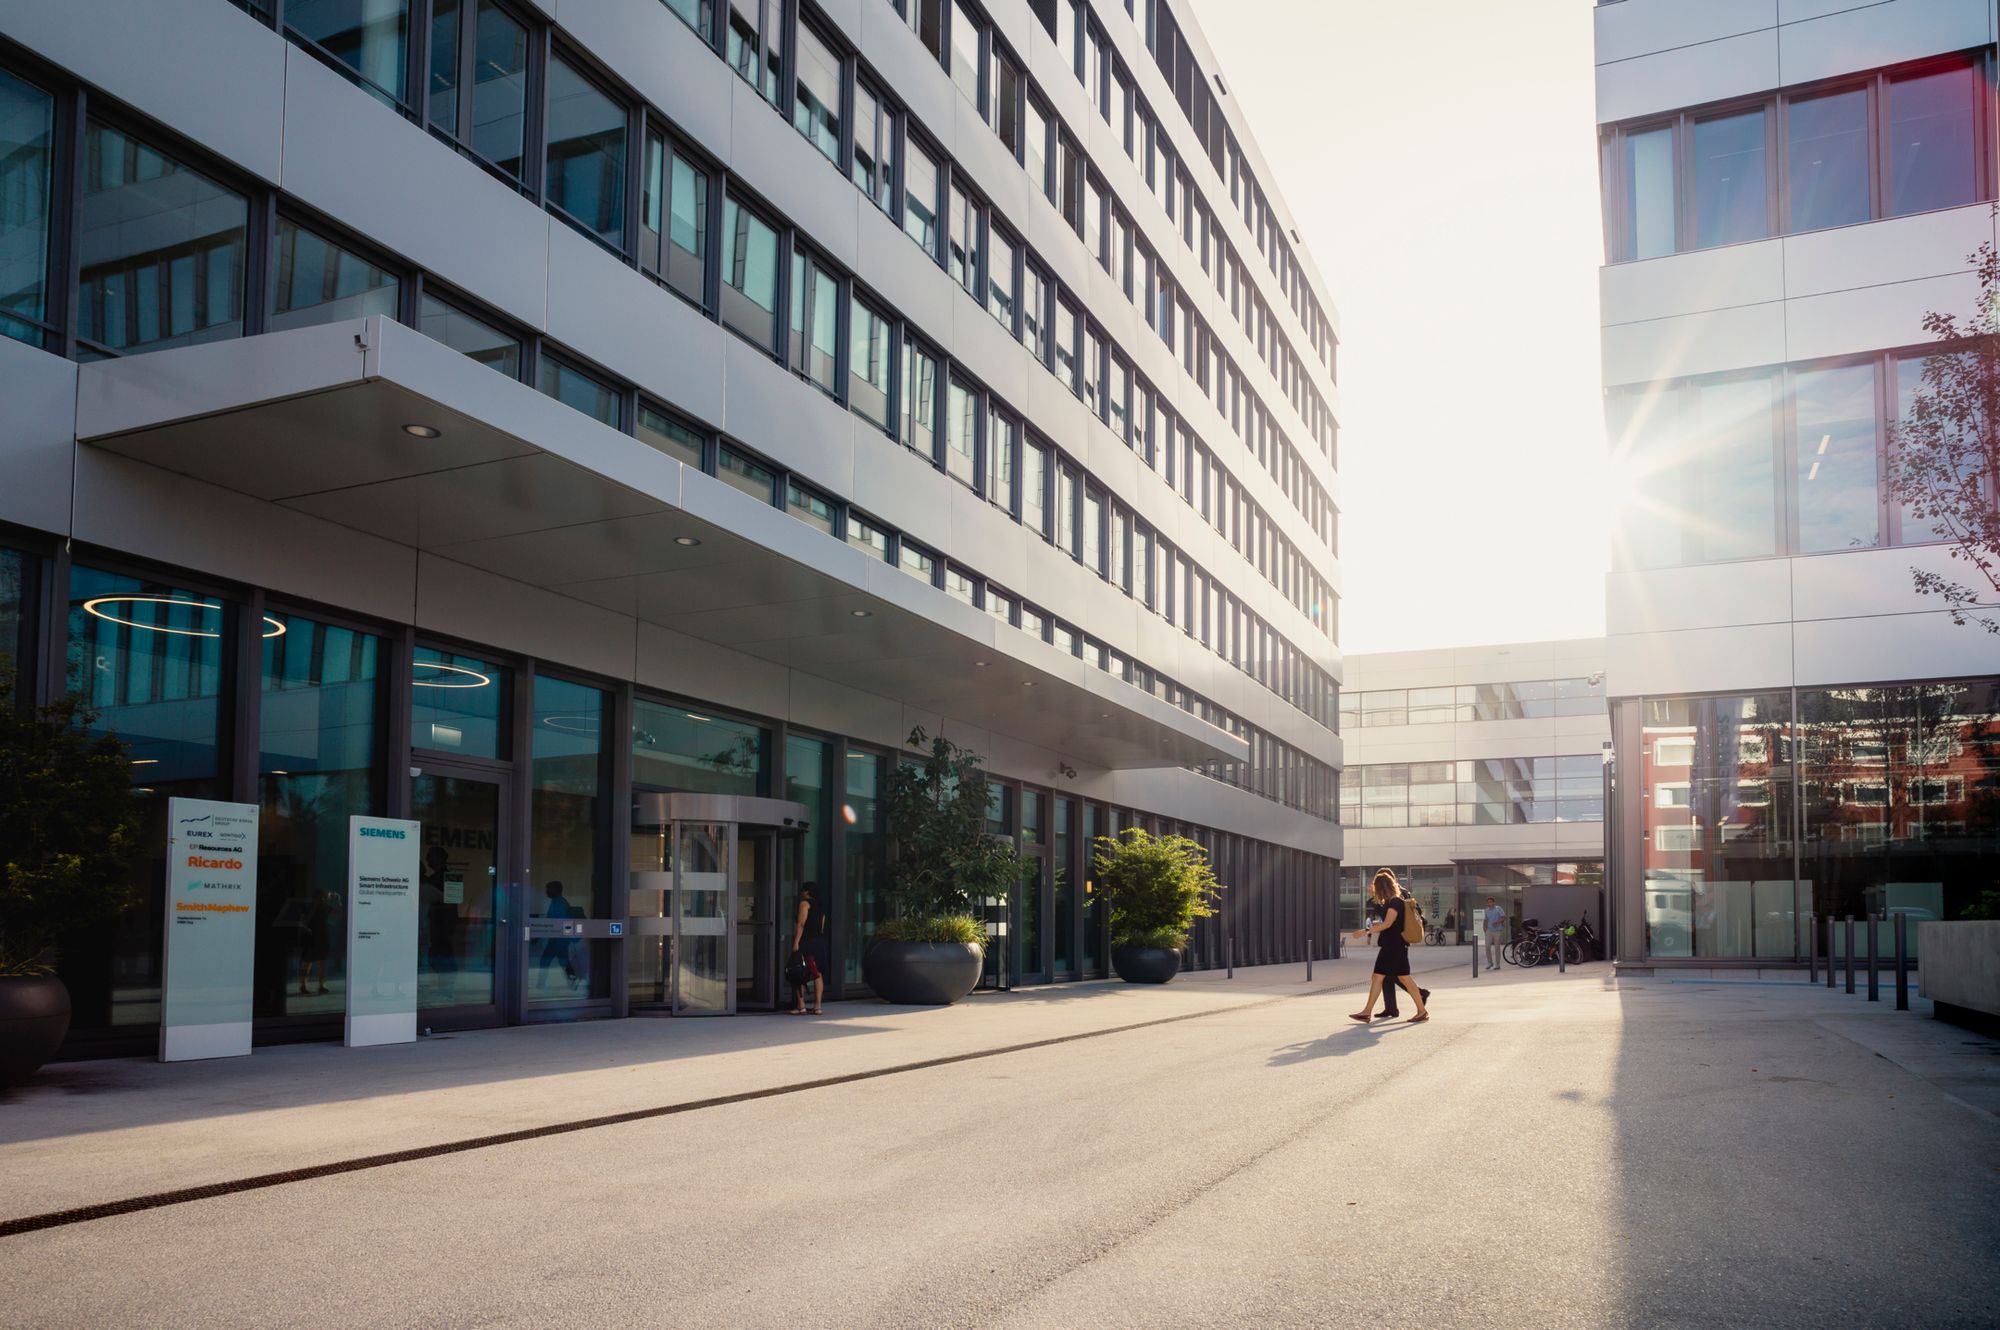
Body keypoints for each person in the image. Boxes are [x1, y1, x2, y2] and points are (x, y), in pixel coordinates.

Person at [1348, 869, 1429, 1024]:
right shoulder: (1391, 902)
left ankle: (1422, 1011)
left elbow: (1388, 924)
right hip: (1389, 947)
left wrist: (1365, 931)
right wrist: (1377, 926)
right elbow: (1389, 923)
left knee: (1404, 978)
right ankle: (1366, 1012)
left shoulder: (1395, 902)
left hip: (1395, 947)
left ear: (1382, 887)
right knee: (1377, 977)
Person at [1376, 882, 1430, 1020]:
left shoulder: (1397, 897)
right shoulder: (1392, 895)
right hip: (1391, 942)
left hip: (1396, 943)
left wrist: (1378, 903)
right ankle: (1390, 1008)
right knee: (1385, 977)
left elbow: (1390, 920)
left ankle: (1420, 1000)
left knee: (1400, 976)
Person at [789, 882, 830, 1015]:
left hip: (806, 941)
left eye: (803, 890)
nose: (801, 893)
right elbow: (822, 927)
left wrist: (796, 942)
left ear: (808, 892)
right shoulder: (821, 906)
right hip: (819, 942)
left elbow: (801, 924)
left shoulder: (804, 904)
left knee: (798, 970)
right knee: (817, 973)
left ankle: (801, 1006)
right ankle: (817, 1006)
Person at [538, 881, 578, 990]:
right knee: (562, 961)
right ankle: (572, 979)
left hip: (558, 939)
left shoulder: (559, 903)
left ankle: (541, 984)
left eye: (549, 889)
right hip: (558, 939)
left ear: (555, 890)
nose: (546, 892)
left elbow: (557, 922)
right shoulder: (557, 901)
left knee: (546, 960)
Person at [1483, 896, 1507, 969]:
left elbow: (1504, 917)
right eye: (1488, 902)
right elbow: (1485, 919)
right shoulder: (1486, 910)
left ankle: (1497, 964)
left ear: (1493, 902)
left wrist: (1498, 922)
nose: (1489, 903)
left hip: (1497, 931)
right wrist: (1484, 928)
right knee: (1487, 946)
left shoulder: (1498, 908)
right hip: (1489, 931)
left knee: (1497, 948)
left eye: (1490, 902)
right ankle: (1490, 963)